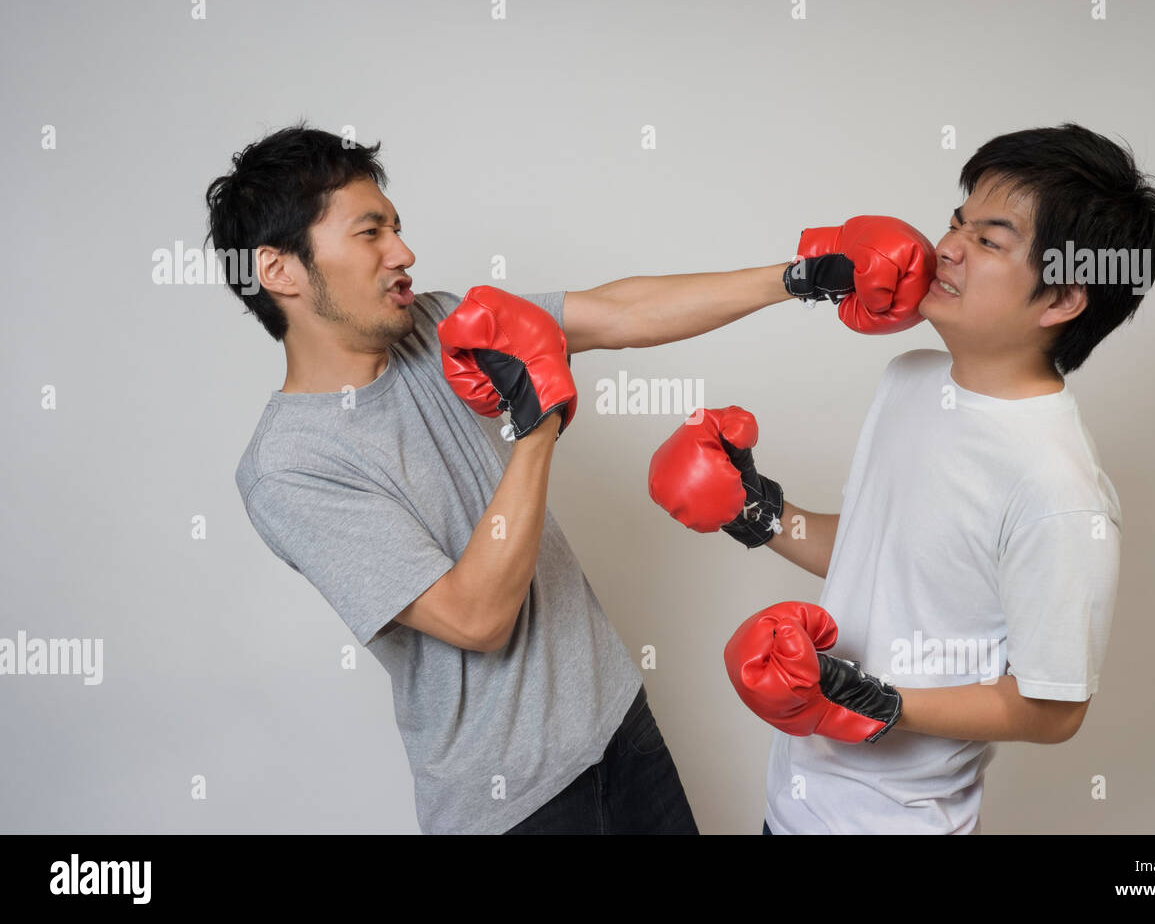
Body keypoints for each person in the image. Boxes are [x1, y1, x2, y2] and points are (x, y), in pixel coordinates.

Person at [206, 122, 908, 833]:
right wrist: (536, 424)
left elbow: (622, 313)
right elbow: (476, 618)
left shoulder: (436, 323)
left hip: (620, 726)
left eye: (397, 227)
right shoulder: (289, 465)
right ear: (280, 271)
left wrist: (799, 277)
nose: (404, 252)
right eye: (370, 233)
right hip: (515, 804)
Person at [647, 123, 1155, 833]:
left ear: (1061, 300)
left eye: (989, 240)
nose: (945, 247)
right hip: (796, 805)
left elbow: (1054, 705)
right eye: (957, 222)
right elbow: (882, 553)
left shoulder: (1058, 489)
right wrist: (755, 509)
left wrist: (869, 698)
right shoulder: (912, 379)